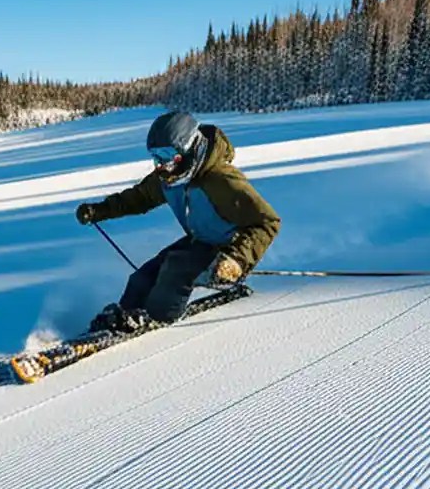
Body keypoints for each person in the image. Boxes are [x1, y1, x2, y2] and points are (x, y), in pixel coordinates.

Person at [75, 110, 280, 332]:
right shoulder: (169, 177)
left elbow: (267, 222)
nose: (161, 164)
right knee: (143, 277)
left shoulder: (221, 179)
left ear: (189, 148)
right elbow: (140, 198)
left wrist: (236, 260)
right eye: (156, 156)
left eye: (167, 154)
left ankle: (156, 321)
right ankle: (125, 317)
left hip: (227, 248)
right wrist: (99, 211)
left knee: (176, 270)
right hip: (200, 240)